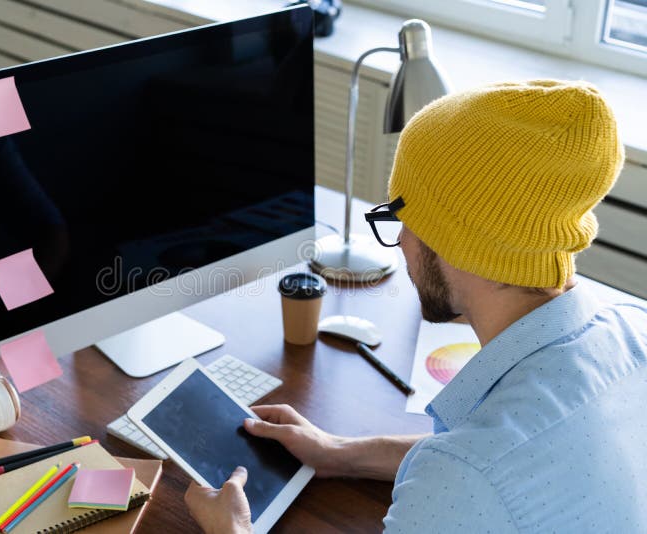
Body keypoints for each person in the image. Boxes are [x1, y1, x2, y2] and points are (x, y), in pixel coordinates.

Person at [184, 79, 647, 532]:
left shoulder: (463, 480)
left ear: (458, 240)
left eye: (404, 218)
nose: (401, 240)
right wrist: (338, 452)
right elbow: (506, 461)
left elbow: (473, 471)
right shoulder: (634, 329)